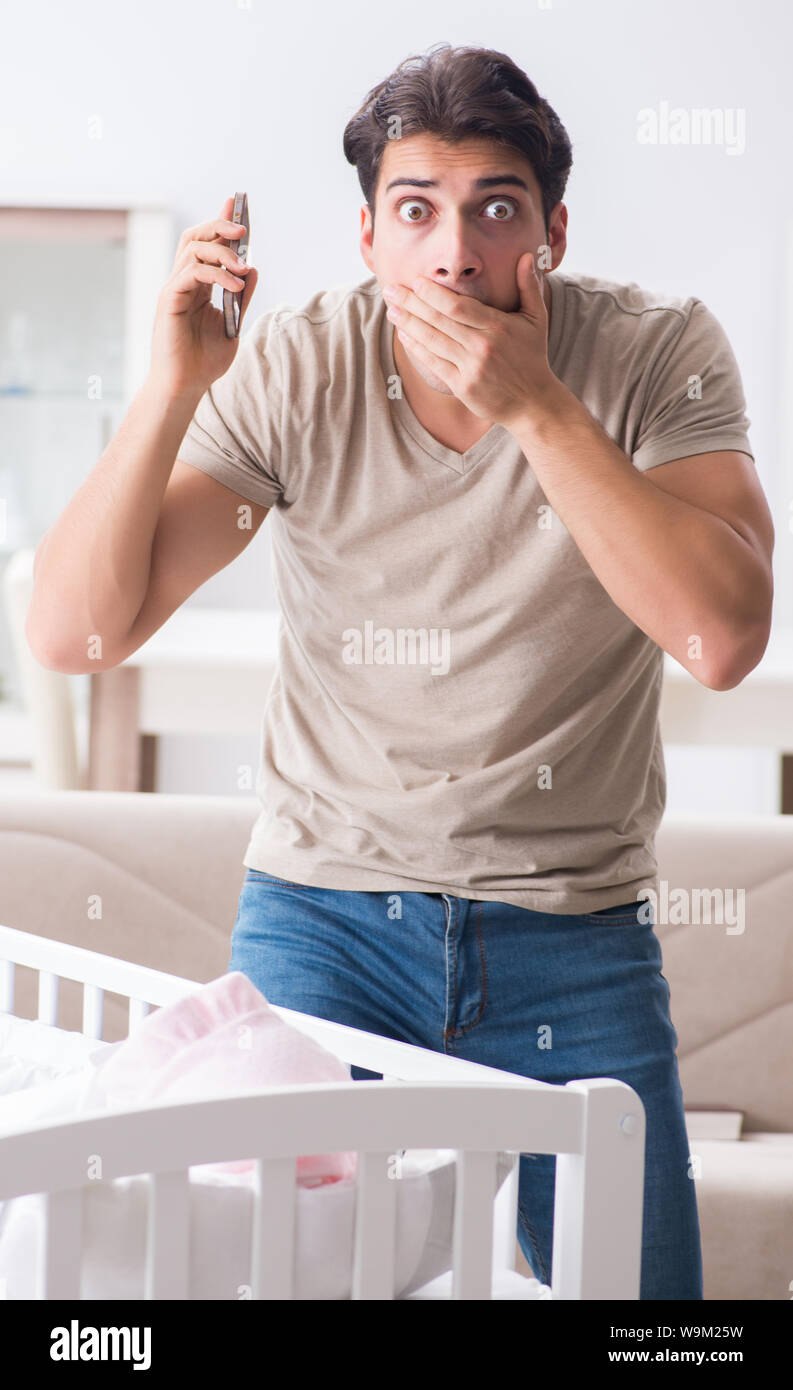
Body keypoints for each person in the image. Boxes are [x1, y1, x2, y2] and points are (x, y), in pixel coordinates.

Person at [28, 42, 774, 1299]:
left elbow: (720, 637)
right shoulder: (302, 365)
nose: (454, 253)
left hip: (575, 935)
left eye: (496, 208)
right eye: (417, 211)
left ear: (551, 234)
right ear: (368, 237)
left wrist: (539, 408)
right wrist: (169, 387)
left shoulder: (652, 353)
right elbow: (75, 636)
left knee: (646, 1315)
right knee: (275, 1284)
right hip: (328, 918)